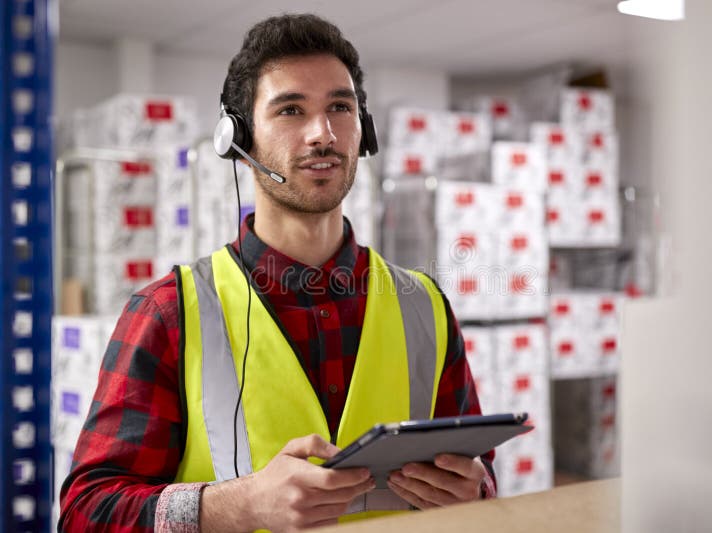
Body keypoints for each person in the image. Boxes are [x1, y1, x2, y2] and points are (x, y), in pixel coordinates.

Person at [59, 13, 494, 533]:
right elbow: (86, 513)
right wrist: (232, 507)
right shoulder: (169, 312)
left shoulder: (421, 304)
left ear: (365, 131)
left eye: (340, 107)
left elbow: (477, 471)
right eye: (291, 110)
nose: (323, 134)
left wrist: (475, 489)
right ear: (238, 141)